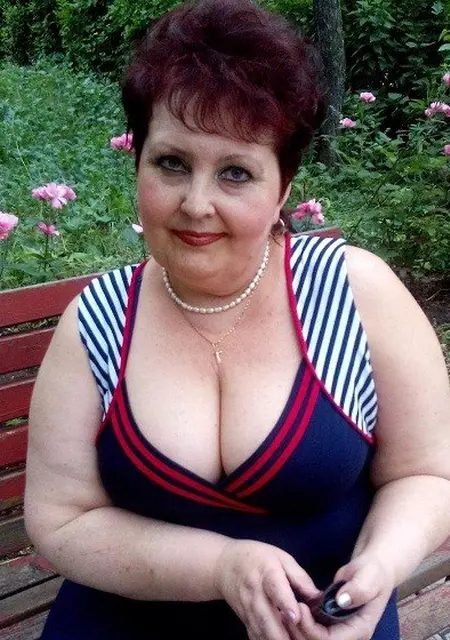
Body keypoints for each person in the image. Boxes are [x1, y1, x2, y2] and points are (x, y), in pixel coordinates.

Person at [24, 1, 450, 639]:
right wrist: (221, 567)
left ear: (283, 188)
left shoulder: (355, 295)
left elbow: (427, 472)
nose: (197, 204)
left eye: (235, 173)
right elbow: (61, 519)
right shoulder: (98, 322)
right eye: (172, 163)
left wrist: (380, 567)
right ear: (138, 164)